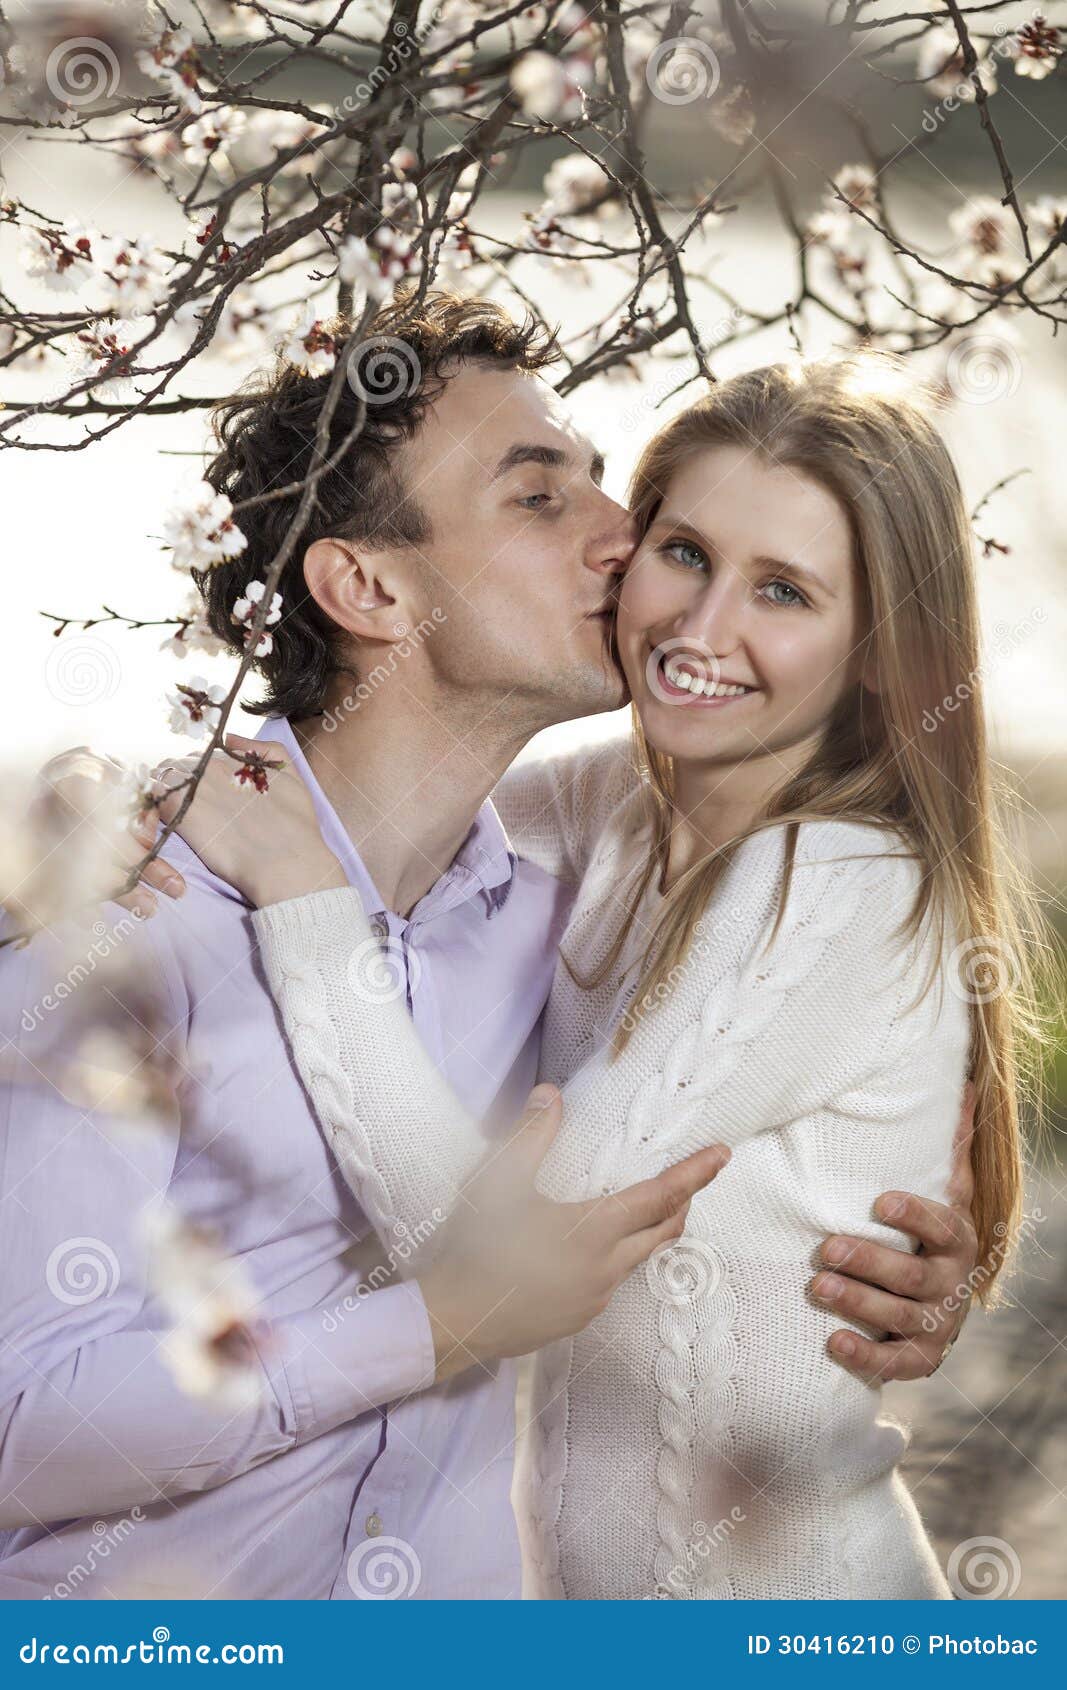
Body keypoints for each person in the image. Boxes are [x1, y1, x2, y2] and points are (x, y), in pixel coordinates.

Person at [1, 297, 980, 1600]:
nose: (624, 546)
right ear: (366, 584)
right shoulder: (147, 919)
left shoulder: (567, 898)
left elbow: (574, 1226)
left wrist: (906, 1256)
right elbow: (26, 1424)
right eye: (539, 498)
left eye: (602, 486)